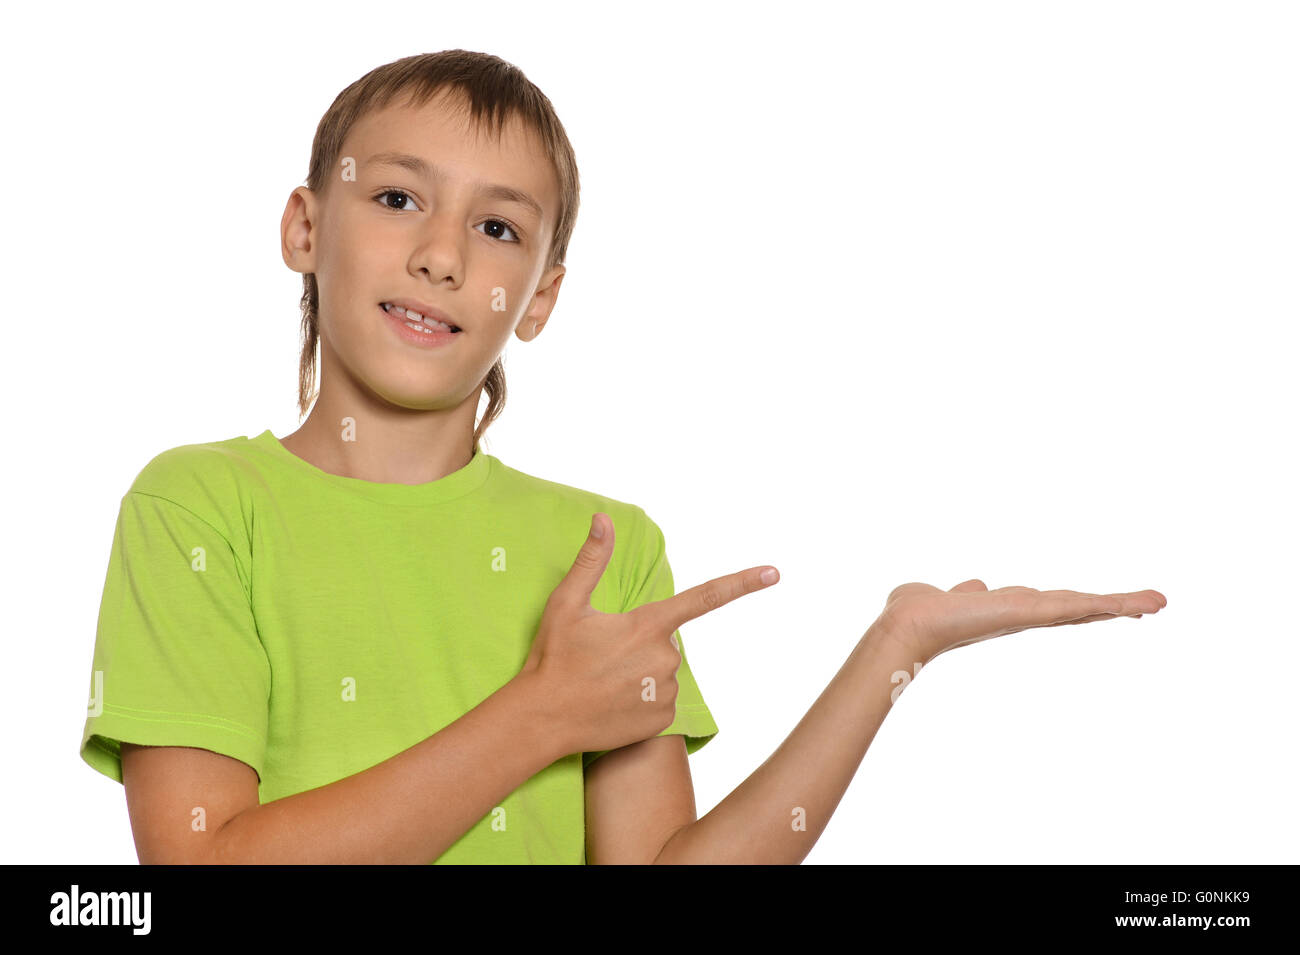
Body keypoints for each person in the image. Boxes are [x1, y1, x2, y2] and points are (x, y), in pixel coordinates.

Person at [79, 50, 1166, 865]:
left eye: (499, 228)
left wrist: (894, 647)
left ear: (540, 298)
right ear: (305, 230)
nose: (442, 255)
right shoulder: (199, 506)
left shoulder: (603, 548)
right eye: (398, 197)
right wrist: (543, 714)